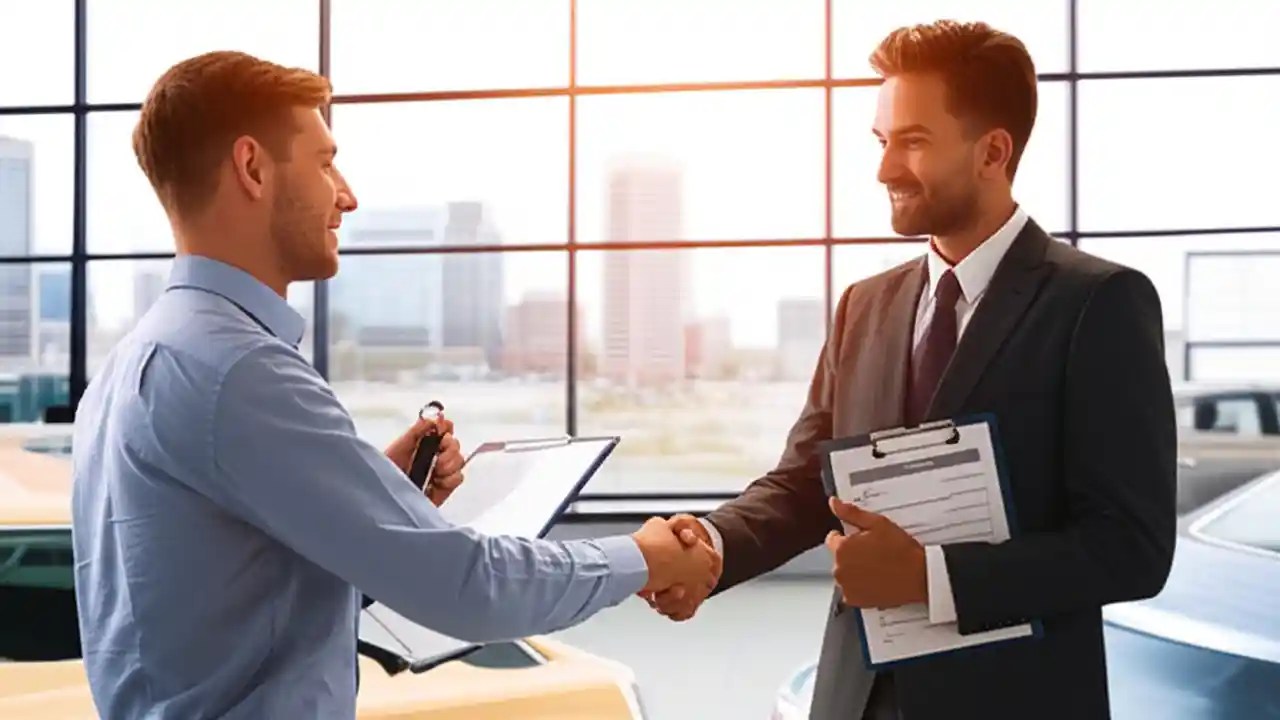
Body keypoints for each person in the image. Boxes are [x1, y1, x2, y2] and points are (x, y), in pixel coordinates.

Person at [69, 50, 719, 720]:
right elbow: (469, 589)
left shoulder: (130, 366)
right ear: (252, 167)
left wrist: (382, 501)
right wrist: (645, 557)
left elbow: (234, 606)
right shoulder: (239, 370)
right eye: (324, 162)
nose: (346, 194)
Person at [644, 20, 1177, 720]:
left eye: (914, 141)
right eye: (883, 141)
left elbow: (1131, 547)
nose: (885, 169)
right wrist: (709, 544)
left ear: (993, 151)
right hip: (856, 698)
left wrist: (933, 578)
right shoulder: (864, 306)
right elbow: (807, 485)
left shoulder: (1099, 303)